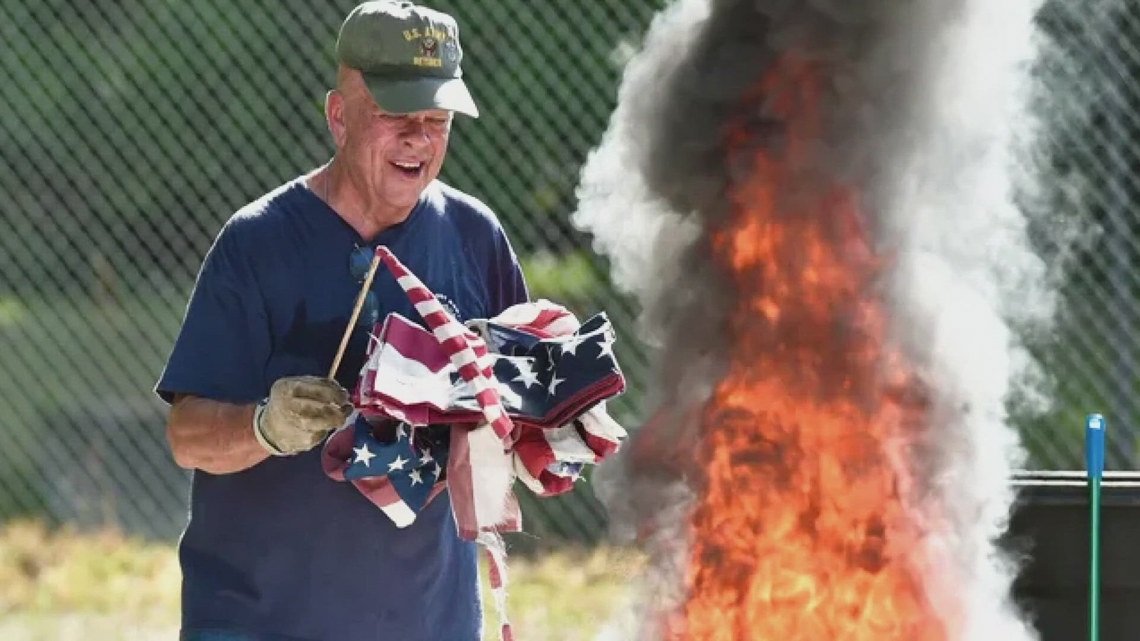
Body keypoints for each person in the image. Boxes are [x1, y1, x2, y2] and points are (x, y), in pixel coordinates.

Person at [155, 2, 529, 639]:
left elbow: (513, 421)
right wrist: (265, 426)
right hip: (260, 620)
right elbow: (187, 437)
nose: (418, 138)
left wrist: (550, 418)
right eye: (395, 115)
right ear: (338, 116)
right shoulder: (258, 242)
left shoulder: (474, 235)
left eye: (436, 120)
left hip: (425, 621)